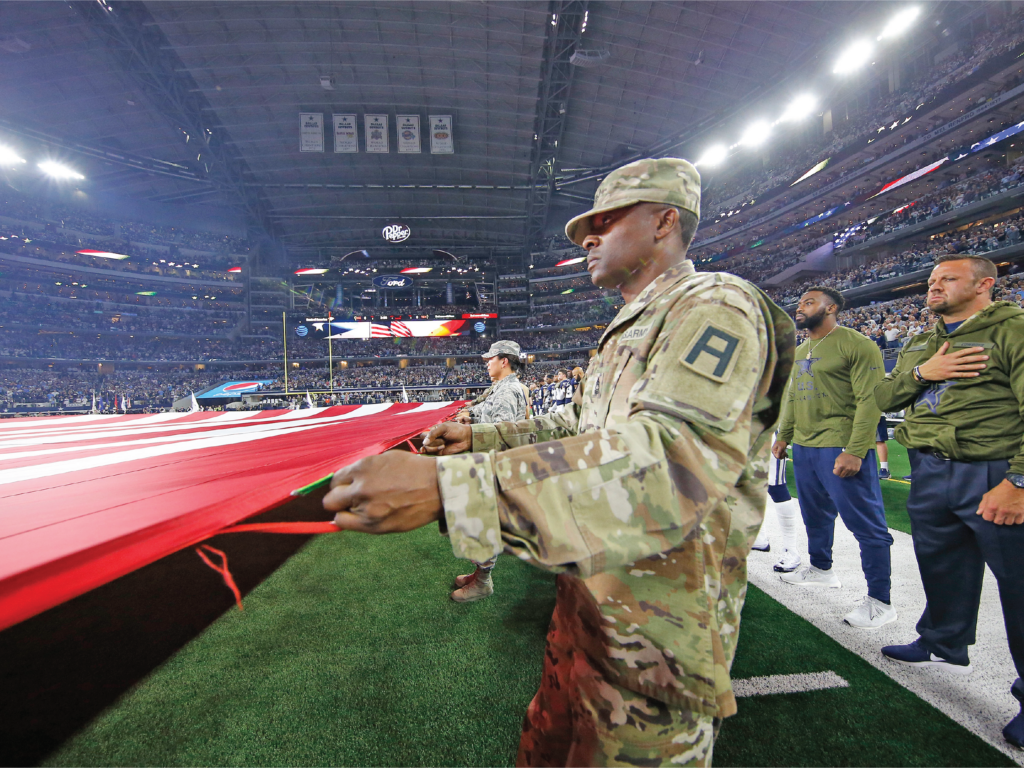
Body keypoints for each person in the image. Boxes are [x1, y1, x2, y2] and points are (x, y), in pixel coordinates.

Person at [322, 157, 795, 767]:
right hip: (588, 607)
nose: (587, 239)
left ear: (665, 222)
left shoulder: (715, 304)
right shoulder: (627, 327)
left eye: (605, 222)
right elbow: (573, 424)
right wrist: (479, 440)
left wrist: (452, 488)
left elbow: (671, 461)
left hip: (658, 639)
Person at [873, 254, 1024, 748]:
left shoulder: (1013, 329)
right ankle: (943, 642)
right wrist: (924, 372)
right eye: (931, 280)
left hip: (992, 469)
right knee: (941, 562)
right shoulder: (924, 339)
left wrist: (1018, 481)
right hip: (931, 467)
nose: (933, 286)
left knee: (1019, 582)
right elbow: (885, 398)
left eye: (947, 279)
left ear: (984, 285)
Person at [773, 286, 897, 629]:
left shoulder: (857, 344)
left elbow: (870, 400)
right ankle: (821, 569)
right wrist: (785, 435)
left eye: (809, 302)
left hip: (840, 445)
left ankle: (880, 601)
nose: (800, 307)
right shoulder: (801, 350)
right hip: (805, 446)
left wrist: (856, 449)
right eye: (800, 301)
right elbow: (793, 397)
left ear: (831, 308)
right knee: (814, 515)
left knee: (867, 524)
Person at [448, 339, 530, 602]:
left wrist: (468, 433)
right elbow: (486, 411)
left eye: (490, 359)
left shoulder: (507, 391)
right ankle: (479, 574)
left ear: (504, 361)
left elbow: (501, 434)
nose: (487, 364)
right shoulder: (501, 388)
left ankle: (483, 582)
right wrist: (470, 416)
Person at [751, 431, 803, 573]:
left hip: (767, 430)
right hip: (740, 429)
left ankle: (791, 550)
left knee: (776, 486)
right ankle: (757, 537)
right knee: (747, 484)